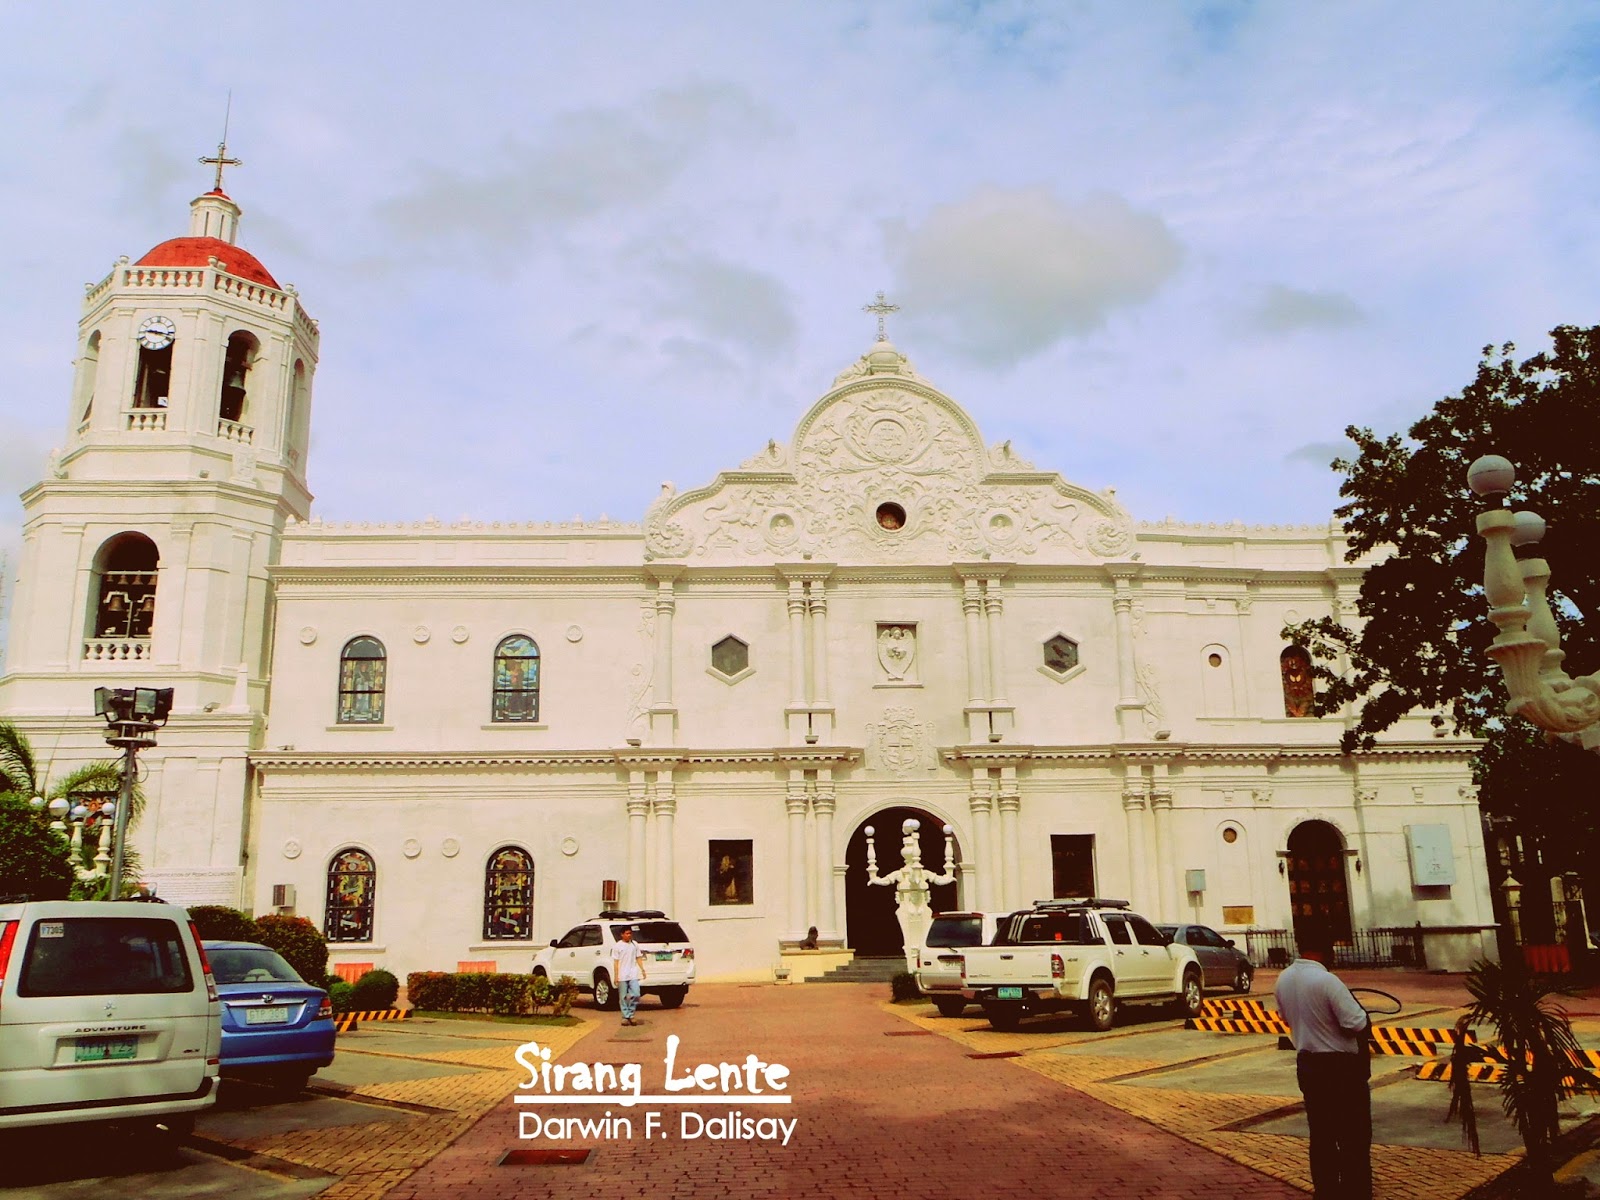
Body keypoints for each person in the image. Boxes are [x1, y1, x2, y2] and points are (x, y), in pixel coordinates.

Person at [1274, 927, 1372, 1199]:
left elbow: (1285, 1017)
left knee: (1322, 1138)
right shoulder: (1327, 981)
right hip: (1340, 1069)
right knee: (1354, 1139)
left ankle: (1327, 1192)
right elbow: (1357, 1023)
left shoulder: (1283, 979)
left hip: (1308, 1065)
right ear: (1323, 949)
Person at [613, 926, 647, 1027]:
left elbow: (638, 958)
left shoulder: (634, 944)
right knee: (623, 997)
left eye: (630, 933)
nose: (629, 935)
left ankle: (631, 1013)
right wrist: (616, 976)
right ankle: (625, 1016)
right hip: (622, 975)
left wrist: (642, 969)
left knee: (636, 994)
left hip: (633, 974)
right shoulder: (617, 946)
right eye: (627, 933)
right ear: (622, 934)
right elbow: (616, 962)